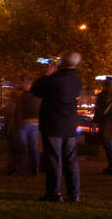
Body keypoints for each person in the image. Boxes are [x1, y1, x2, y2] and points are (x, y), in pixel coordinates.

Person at [30, 52, 83, 202]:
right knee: (71, 161)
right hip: (70, 125)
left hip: (53, 124)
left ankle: (54, 192)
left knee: (54, 160)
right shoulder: (77, 80)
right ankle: (74, 193)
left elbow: (35, 90)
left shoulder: (54, 79)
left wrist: (46, 75)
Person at [93, 78, 112, 174]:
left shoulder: (102, 96)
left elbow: (98, 110)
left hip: (105, 122)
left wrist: (95, 122)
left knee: (108, 145)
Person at [17, 77, 42, 177]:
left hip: (24, 123)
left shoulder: (22, 95)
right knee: (33, 148)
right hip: (35, 123)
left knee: (23, 147)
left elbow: (18, 108)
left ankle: (22, 170)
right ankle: (34, 170)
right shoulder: (39, 96)